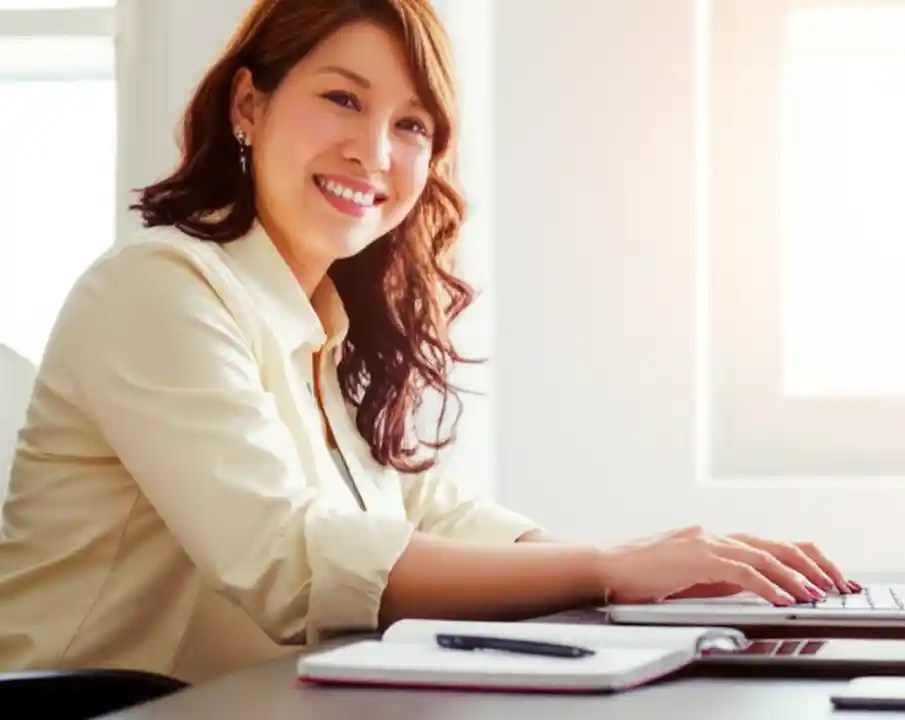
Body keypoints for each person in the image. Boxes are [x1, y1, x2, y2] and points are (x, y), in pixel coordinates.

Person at [0, 0, 856, 684]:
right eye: (342, 98)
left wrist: (653, 572)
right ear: (249, 105)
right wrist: (606, 569)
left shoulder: (321, 327)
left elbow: (424, 514)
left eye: (412, 125)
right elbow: (288, 559)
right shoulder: (157, 288)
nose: (374, 151)